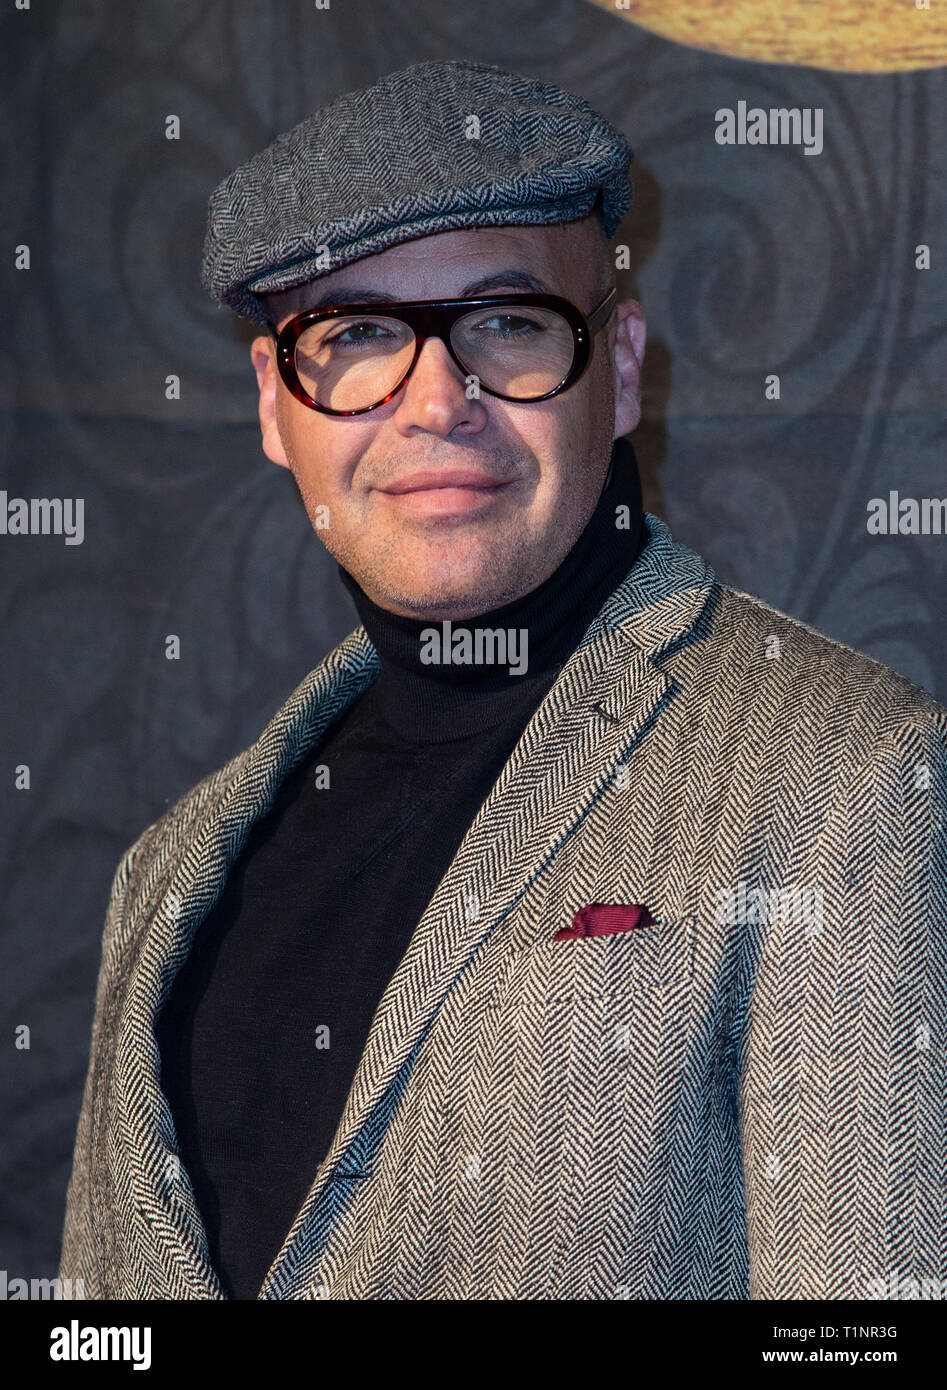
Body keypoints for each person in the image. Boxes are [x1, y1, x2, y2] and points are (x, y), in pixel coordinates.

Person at [60, 59, 946, 1301]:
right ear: (276, 403)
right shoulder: (167, 871)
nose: (438, 401)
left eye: (508, 322)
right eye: (358, 334)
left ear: (621, 368)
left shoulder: (843, 781)